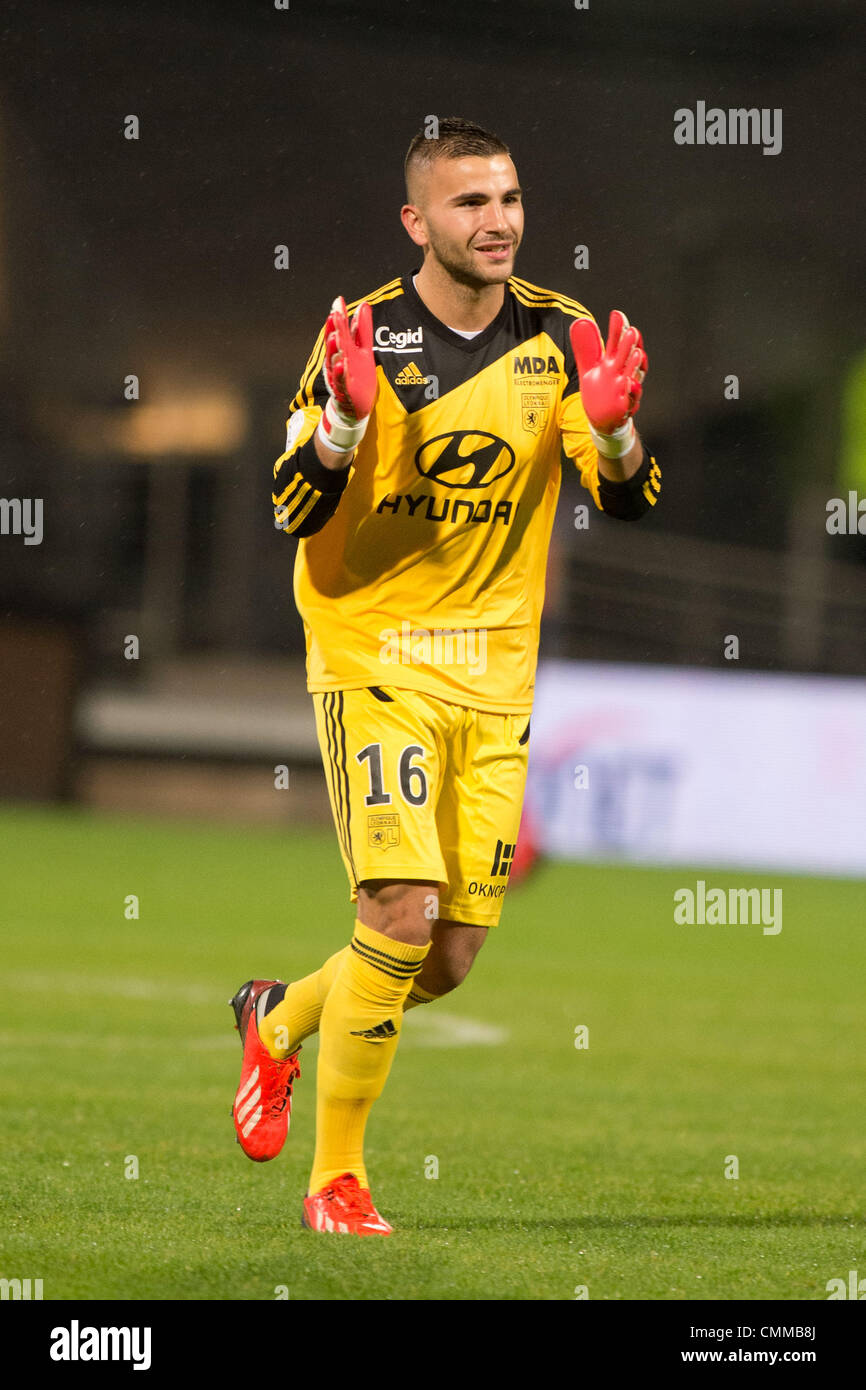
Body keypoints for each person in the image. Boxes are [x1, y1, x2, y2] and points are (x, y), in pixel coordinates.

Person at [230, 117, 661, 1235]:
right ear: (416, 221)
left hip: (493, 678)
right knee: (401, 907)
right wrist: (338, 423)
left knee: (448, 955)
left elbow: (627, 493)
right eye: (470, 203)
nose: (498, 221)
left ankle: (277, 1022)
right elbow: (286, 502)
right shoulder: (359, 334)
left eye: (509, 198)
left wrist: (613, 438)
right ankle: (338, 1180)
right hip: (373, 655)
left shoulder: (561, 338)